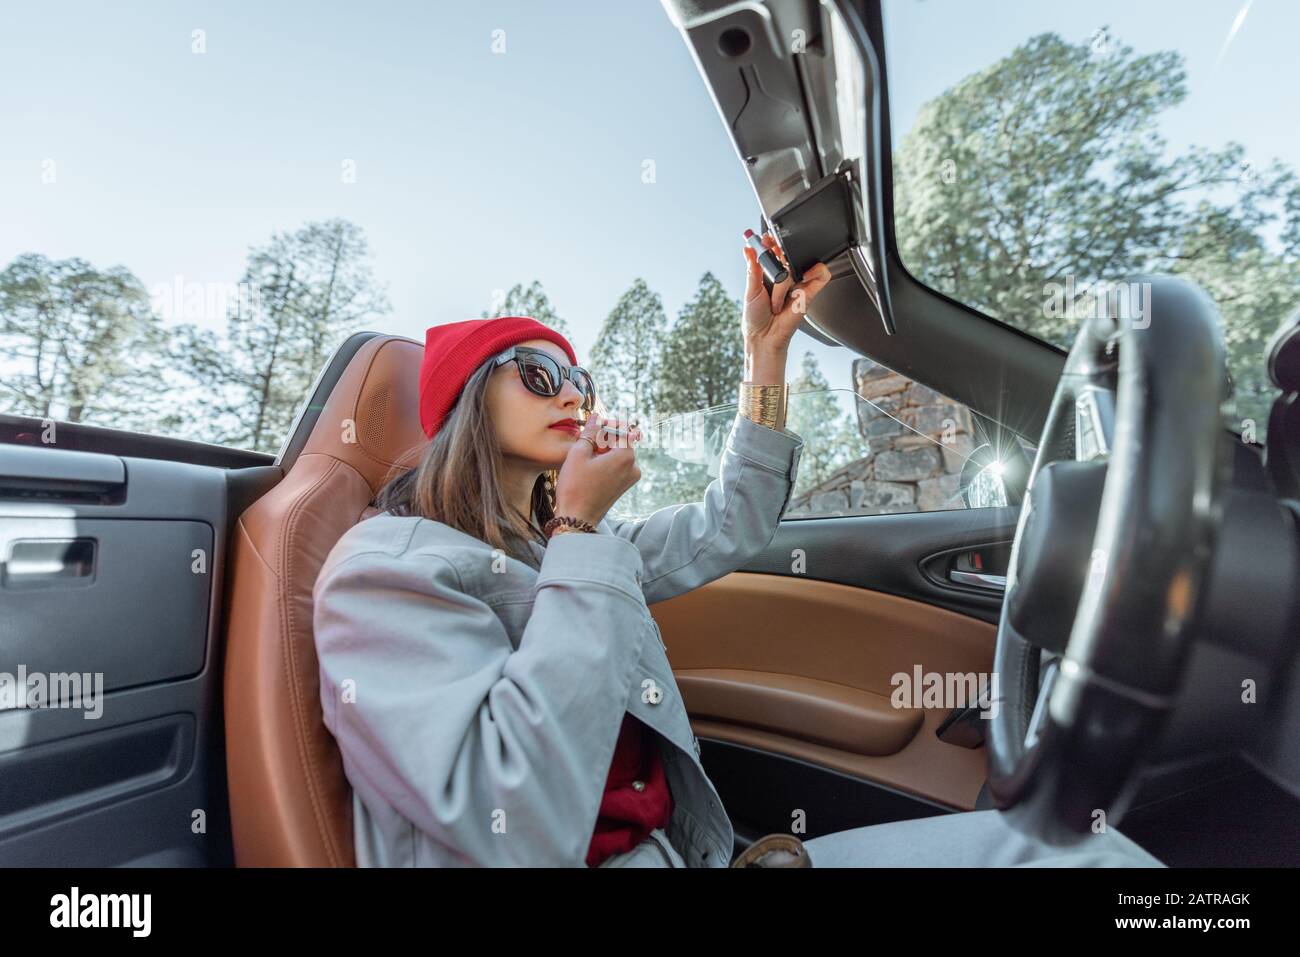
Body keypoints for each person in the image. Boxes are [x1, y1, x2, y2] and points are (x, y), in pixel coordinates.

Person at [311, 232, 1165, 868]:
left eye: (581, 380)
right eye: (537, 374)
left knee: (1078, 854)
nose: (571, 394)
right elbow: (511, 816)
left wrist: (766, 355)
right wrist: (577, 529)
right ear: (467, 399)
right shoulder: (383, 571)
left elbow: (734, 522)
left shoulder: (565, 547)